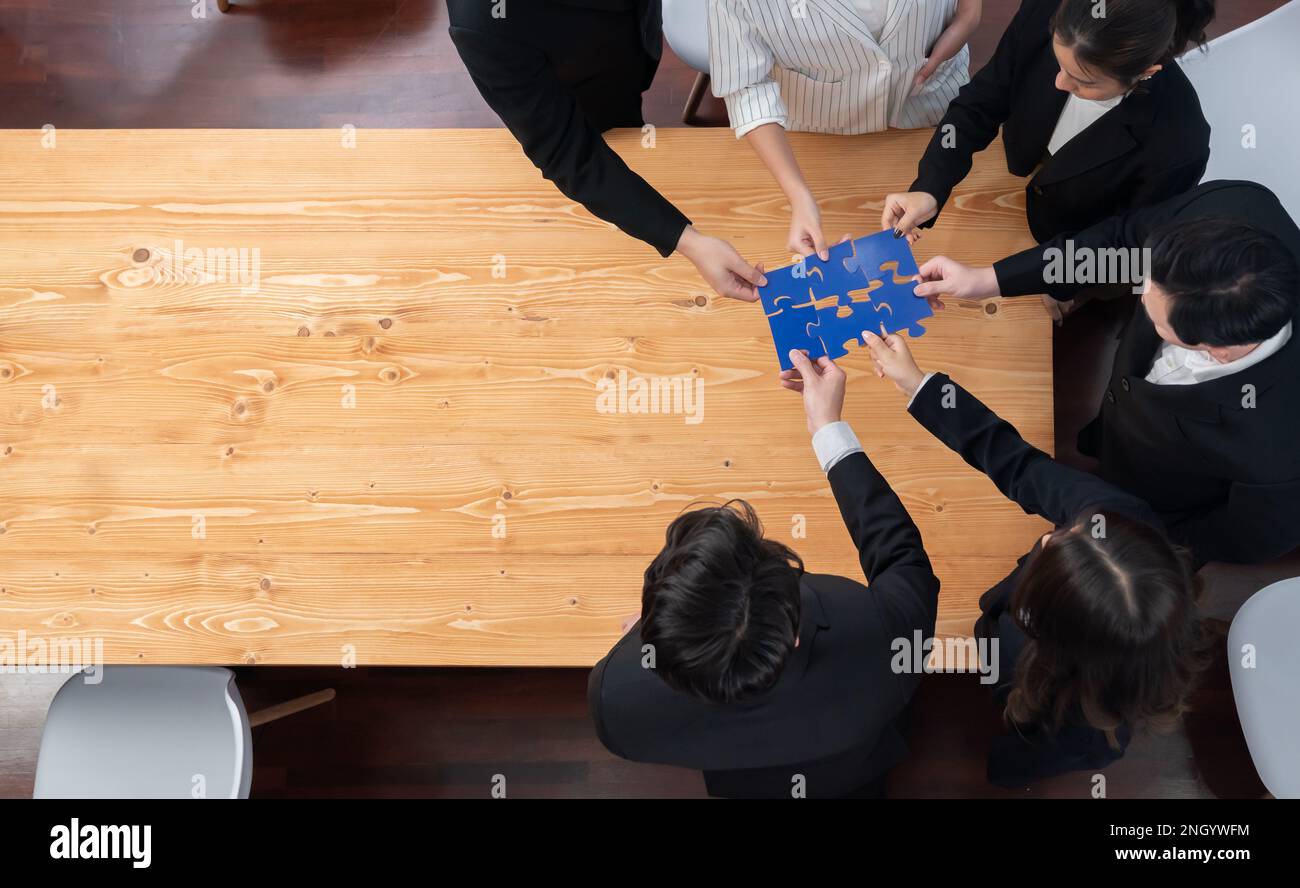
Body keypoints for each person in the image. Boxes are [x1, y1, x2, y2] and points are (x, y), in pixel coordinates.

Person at [846, 328, 1207, 786]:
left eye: (1055, 553)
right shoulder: (1118, 519)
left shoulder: (1083, 730)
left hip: (1024, 693)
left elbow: (1032, 751)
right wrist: (918, 384)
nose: (1048, 539)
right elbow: (1018, 464)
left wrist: (1003, 776)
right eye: (1070, 533)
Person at [587, 349, 939, 798]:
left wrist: (655, 636)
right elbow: (903, 559)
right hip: (857, 770)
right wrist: (828, 430)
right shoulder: (881, 638)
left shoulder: (615, 697)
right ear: (792, 634)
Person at [913, 181, 1300, 568]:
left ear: (1217, 349)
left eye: (1157, 320)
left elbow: (1244, 538)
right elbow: (1121, 242)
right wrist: (987, 281)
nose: (1139, 294)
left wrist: (1128, 545)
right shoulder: (1236, 204)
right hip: (1117, 433)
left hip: (1156, 499)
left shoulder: (1281, 457)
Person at [447, 0, 767, 301]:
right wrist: (689, 241)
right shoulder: (482, 22)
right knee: (621, 131)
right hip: (590, 84)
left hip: (631, 35)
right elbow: (570, 155)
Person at [881, 0, 1214, 244]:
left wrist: (1060, 280)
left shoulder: (1181, 143)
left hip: (1070, 237)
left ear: (1146, 73)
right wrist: (930, 186)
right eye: (1058, 62)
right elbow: (978, 104)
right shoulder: (1046, 9)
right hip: (1014, 173)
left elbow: (1131, 246)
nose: (1059, 83)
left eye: (1084, 81)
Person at [709, 0, 980, 258]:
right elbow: (747, 86)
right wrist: (798, 196)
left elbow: (970, 11)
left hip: (929, 107)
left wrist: (969, 14)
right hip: (820, 132)